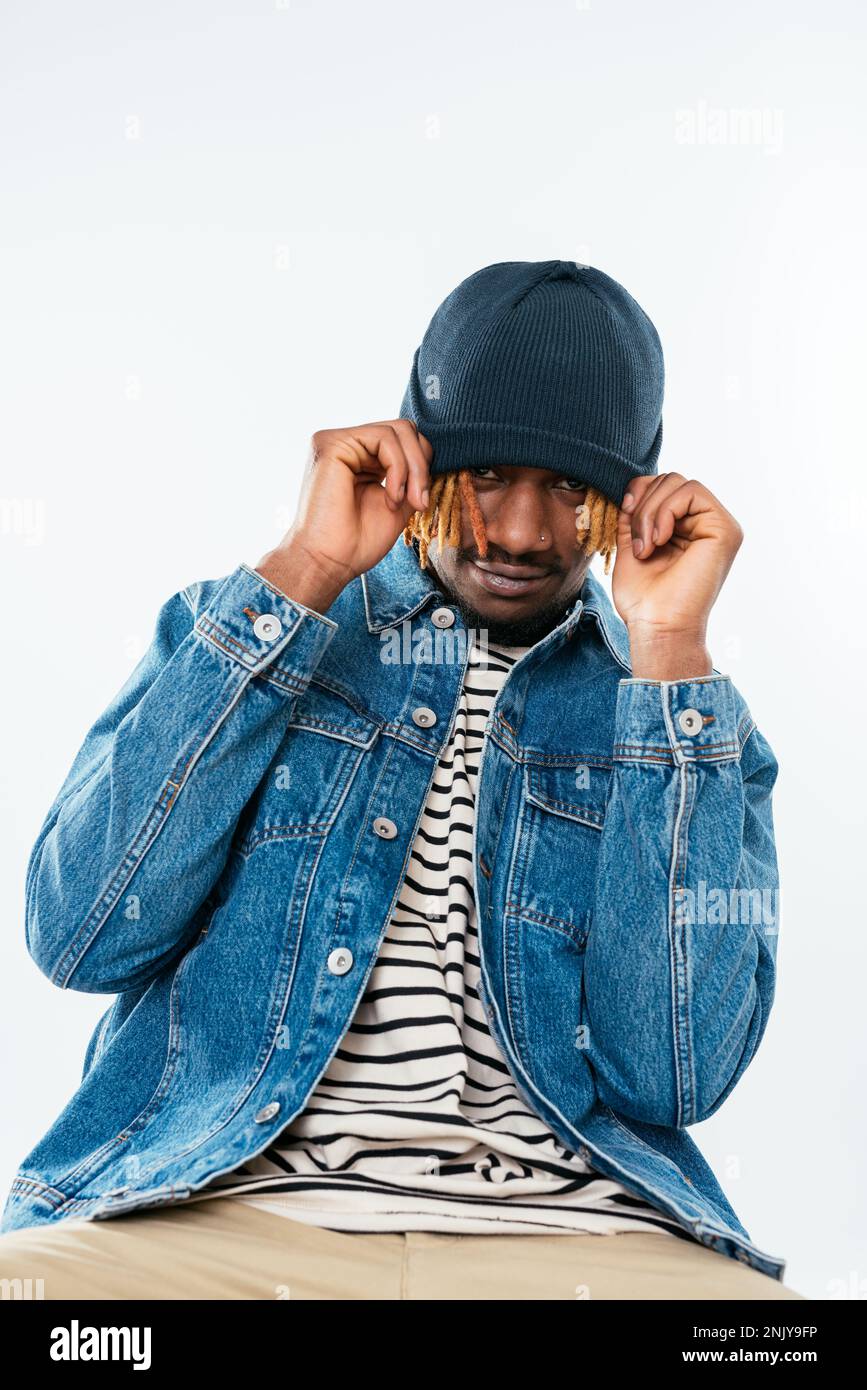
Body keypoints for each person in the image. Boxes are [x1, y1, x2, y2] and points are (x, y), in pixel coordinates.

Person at [0, 261, 805, 1300]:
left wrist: (669, 647)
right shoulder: (247, 630)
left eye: (570, 487)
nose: (519, 532)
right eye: (487, 477)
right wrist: (301, 570)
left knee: (766, 1337)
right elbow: (80, 933)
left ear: (627, 501)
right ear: (417, 457)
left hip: (571, 1242)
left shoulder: (680, 717)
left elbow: (675, 1073)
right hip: (226, 1217)